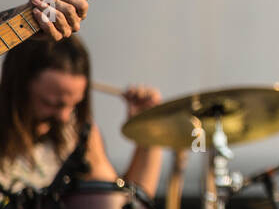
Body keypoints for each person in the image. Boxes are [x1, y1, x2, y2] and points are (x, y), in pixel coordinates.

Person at [0, 33, 163, 198]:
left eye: (74, 104)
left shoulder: (77, 133)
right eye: (51, 103)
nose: (64, 116)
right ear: (17, 87)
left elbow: (121, 206)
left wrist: (148, 131)